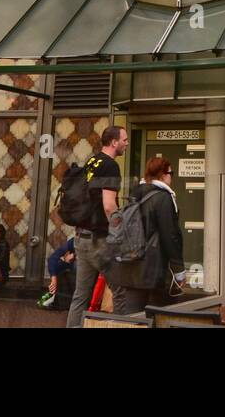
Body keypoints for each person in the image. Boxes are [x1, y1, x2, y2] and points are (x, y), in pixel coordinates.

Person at [65, 126, 130, 328]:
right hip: (99, 241)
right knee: (120, 292)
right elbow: (109, 205)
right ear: (114, 142)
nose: (127, 143)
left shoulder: (93, 161)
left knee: (80, 295)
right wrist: (122, 231)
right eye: (125, 140)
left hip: (81, 238)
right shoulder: (110, 166)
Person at [114, 156, 185, 313]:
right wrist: (178, 270)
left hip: (130, 263)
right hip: (153, 267)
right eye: (171, 173)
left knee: (133, 317)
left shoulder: (136, 193)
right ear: (162, 174)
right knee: (159, 315)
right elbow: (170, 235)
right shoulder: (163, 198)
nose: (171, 177)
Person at [40, 236, 76, 309]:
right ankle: (60, 297)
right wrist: (54, 278)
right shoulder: (75, 240)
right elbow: (53, 258)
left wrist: (75, 255)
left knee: (76, 265)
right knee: (59, 264)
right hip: (74, 270)